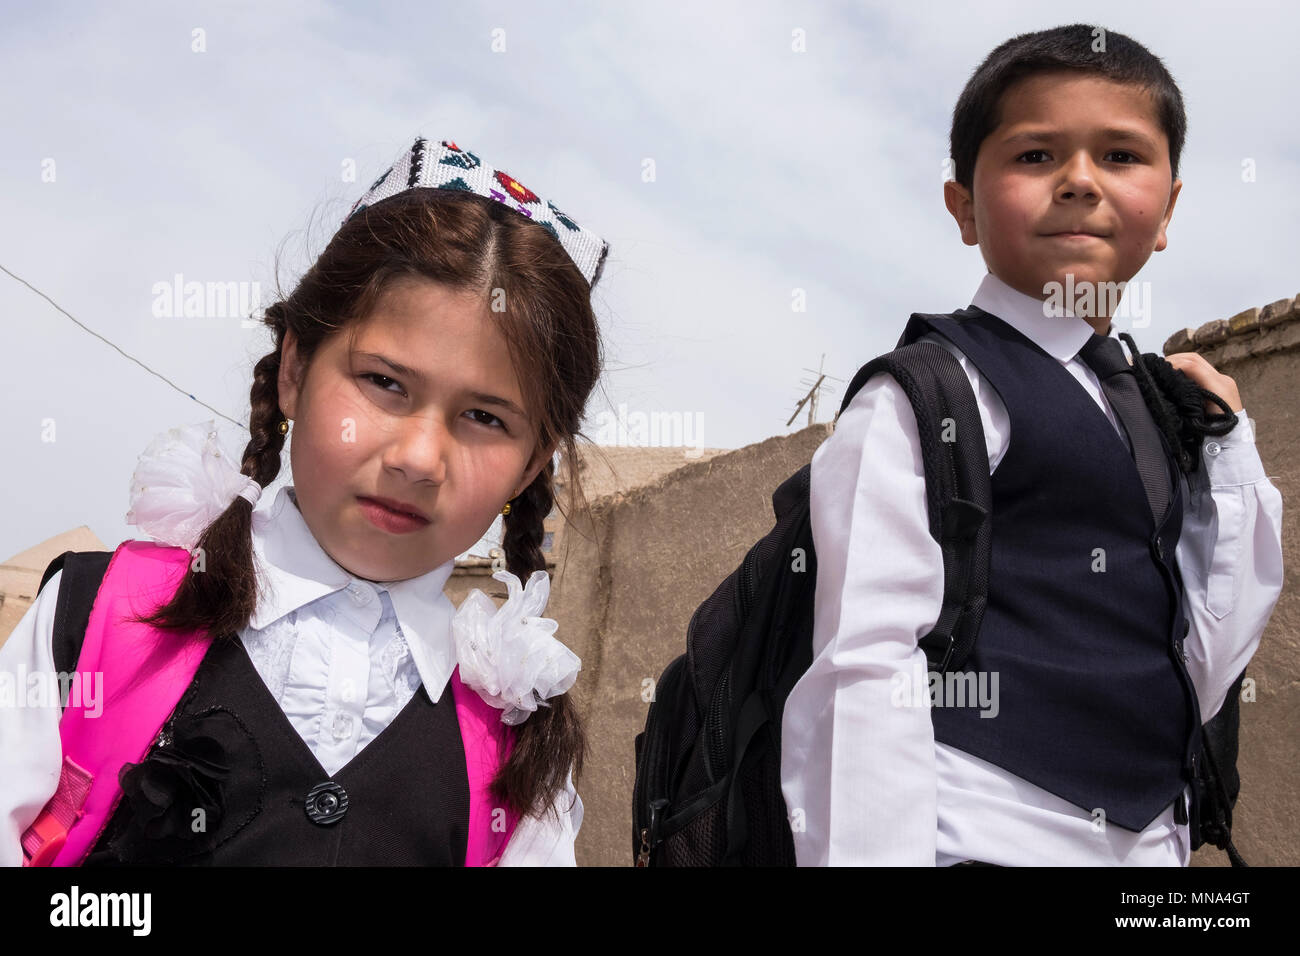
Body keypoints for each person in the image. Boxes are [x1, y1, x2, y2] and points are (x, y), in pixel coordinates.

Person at [0, 136, 609, 866]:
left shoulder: (516, 750)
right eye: (384, 382)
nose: (418, 458)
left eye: (485, 418)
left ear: (530, 465)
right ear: (293, 368)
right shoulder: (100, 618)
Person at [779, 24, 1284, 865]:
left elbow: (1209, 658)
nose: (1080, 183)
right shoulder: (929, 394)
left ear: (1168, 211)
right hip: (980, 838)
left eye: (1121, 156)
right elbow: (861, 675)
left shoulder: (1163, 410)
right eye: (1036, 156)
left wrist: (1230, 456)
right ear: (965, 208)